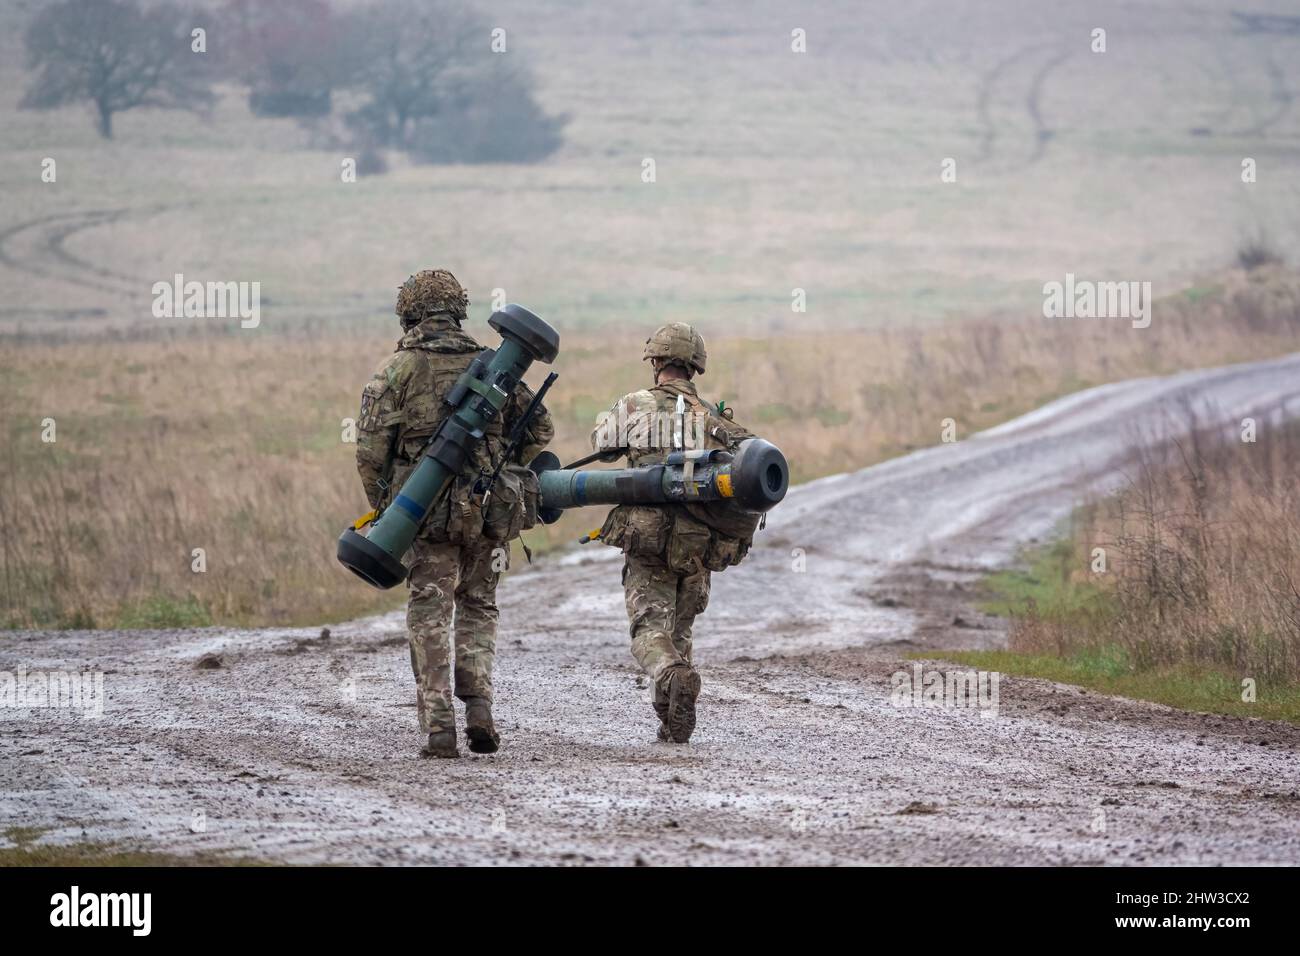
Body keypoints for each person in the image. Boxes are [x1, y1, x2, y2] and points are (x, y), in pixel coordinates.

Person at [355, 269, 553, 758]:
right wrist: (499, 468)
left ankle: (439, 724)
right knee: (479, 606)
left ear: (409, 312)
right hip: (488, 512)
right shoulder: (493, 365)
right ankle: (480, 707)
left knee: (430, 610)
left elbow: (369, 449)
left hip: (424, 516)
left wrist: (389, 507)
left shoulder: (395, 371)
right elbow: (539, 429)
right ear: (459, 310)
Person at [589, 323, 756, 743]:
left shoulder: (636, 405)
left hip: (650, 539)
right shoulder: (716, 420)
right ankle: (671, 720)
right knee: (681, 630)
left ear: (657, 361)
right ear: (695, 366)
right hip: (701, 543)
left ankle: (671, 675)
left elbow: (601, 442)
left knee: (649, 628)